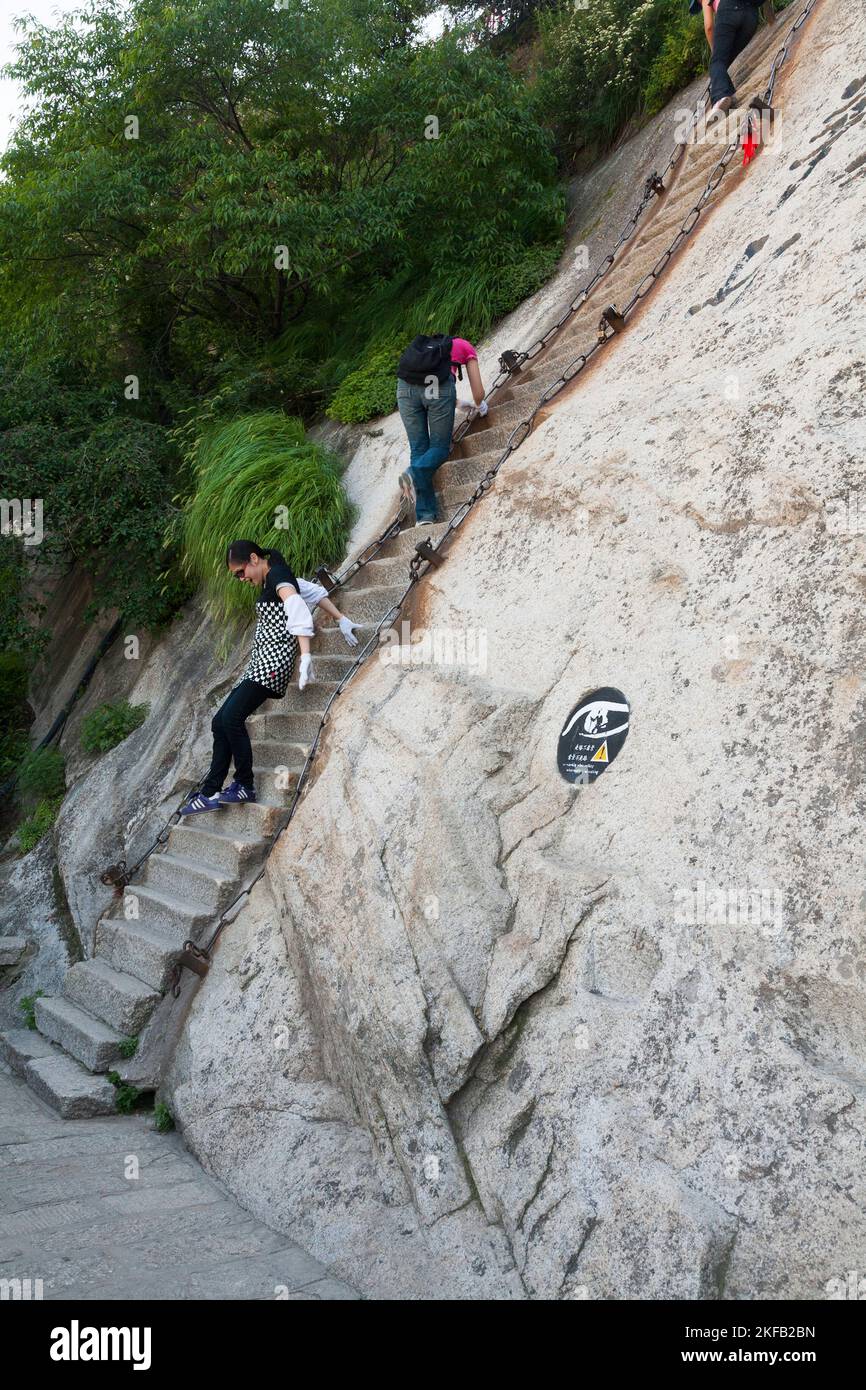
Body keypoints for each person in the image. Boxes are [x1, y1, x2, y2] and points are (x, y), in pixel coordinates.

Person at [179, 542, 356, 814]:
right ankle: (211, 792)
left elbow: (296, 606)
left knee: (231, 718)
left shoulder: (276, 576)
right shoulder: (277, 576)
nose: (241, 579)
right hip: (259, 664)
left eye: (240, 572)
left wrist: (306, 656)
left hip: (272, 665)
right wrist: (341, 618)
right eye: (236, 576)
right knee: (219, 722)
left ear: (253, 559)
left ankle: (244, 784)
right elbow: (313, 591)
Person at [395, 334, 488, 526]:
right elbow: (478, 393)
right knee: (439, 447)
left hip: (405, 388)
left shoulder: (423, 352)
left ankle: (425, 515)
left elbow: (426, 387)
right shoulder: (464, 346)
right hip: (440, 387)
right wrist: (480, 405)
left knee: (419, 449)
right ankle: (412, 474)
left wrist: (457, 403)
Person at [702, 0, 775, 125]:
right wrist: (771, 20)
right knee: (723, 63)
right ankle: (728, 94)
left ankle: (721, 97)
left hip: (729, 9)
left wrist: (716, 54)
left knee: (717, 61)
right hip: (751, 17)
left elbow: (709, 27)